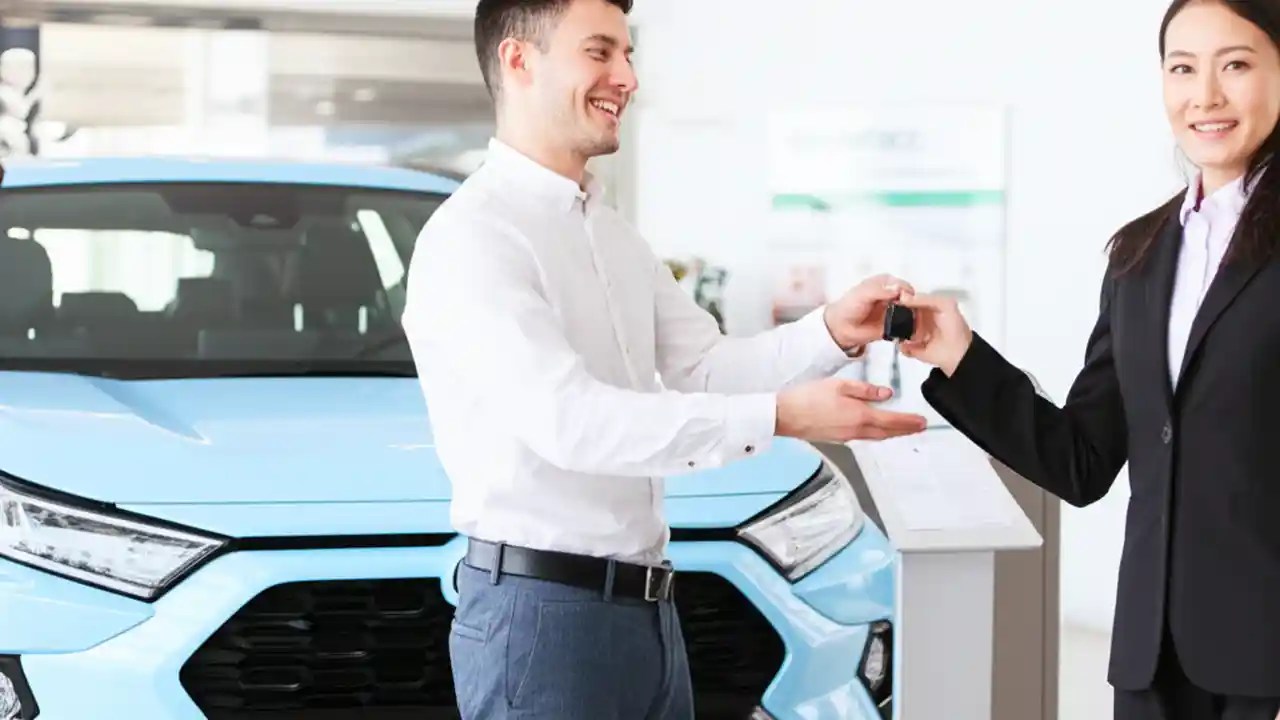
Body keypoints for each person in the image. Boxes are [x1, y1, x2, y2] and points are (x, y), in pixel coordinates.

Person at [400, 0, 928, 718]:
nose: (627, 77)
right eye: (600, 52)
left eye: (629, 53)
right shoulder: (472, 240)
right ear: (519, 61)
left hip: (648, 613)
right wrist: (779, 417)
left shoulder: (613, 236)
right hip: (542, 622)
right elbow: (571, 422)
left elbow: (705, 369)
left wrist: (831, 331)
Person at [895, 0, 1280, 718]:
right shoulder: (1140, 255)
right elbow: (1082, 459)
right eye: (1182, 68)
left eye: (1236, 65)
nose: (1206, 96)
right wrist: (961, 358)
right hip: (1152, 659)